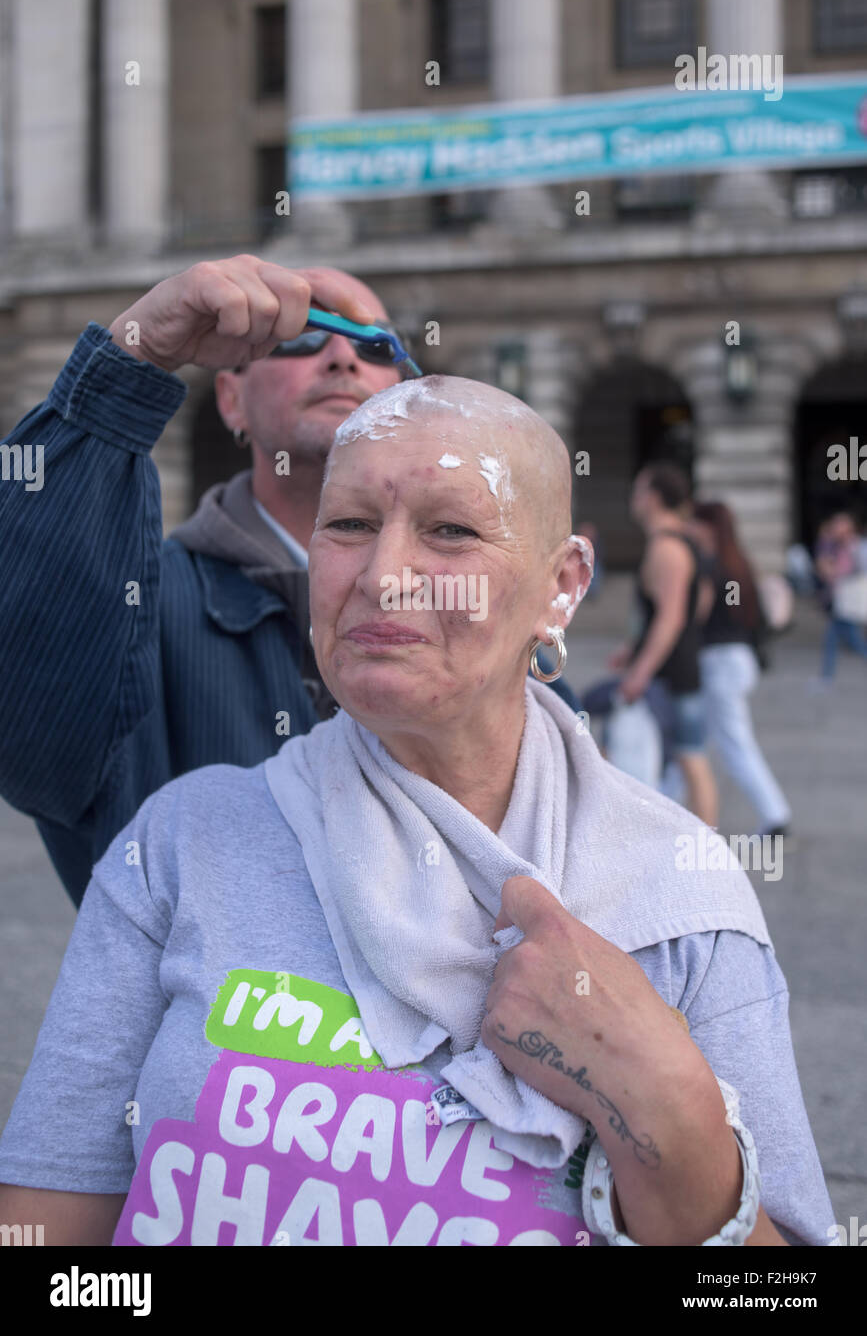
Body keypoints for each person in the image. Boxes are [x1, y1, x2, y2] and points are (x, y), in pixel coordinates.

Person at [0, 374, 834, 1246]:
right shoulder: (178, 842)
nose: (383, 576)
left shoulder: (679, 892)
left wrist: (670, 1111)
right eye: (350, 526)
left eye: (450, 531)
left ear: (562, 586)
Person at [0, 256, 578, 907]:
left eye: (372, 343)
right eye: (301, 335)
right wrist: (131, 363)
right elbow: (29, 709)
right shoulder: (142, 605)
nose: (339, 357)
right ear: (229, 398)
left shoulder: (484, 608)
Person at [610, 463, 717, 827]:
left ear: (653, 498)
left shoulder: (667, 547)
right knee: (686, 756)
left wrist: (640, 671)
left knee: (690, 757)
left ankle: (706, 852)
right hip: (680, 666)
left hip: (671, 674)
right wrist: (635, 646)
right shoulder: (684, 540)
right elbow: (700, 601)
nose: (633, 498)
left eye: (639, 490)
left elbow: (670, 617)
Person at [691, 502, 792, 839]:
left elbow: (698, 619)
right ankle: (662, 806)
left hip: (720, 662)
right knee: (691, 740)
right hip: (739, 659)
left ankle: (775, 816)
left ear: (707, 527)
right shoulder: (739, 563)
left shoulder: (711, 565)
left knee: (732, 744)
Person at [813, 512, 867, 682]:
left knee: (851, 639)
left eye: (839, 524)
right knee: (833, 638)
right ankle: (826, 675)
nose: (835, 528)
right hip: (840, 599)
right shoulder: (836, 545)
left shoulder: (856, 545)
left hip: (850, 598)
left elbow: (860, 569)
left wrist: (838, 573)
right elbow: (823, 565)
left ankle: (826, 676)